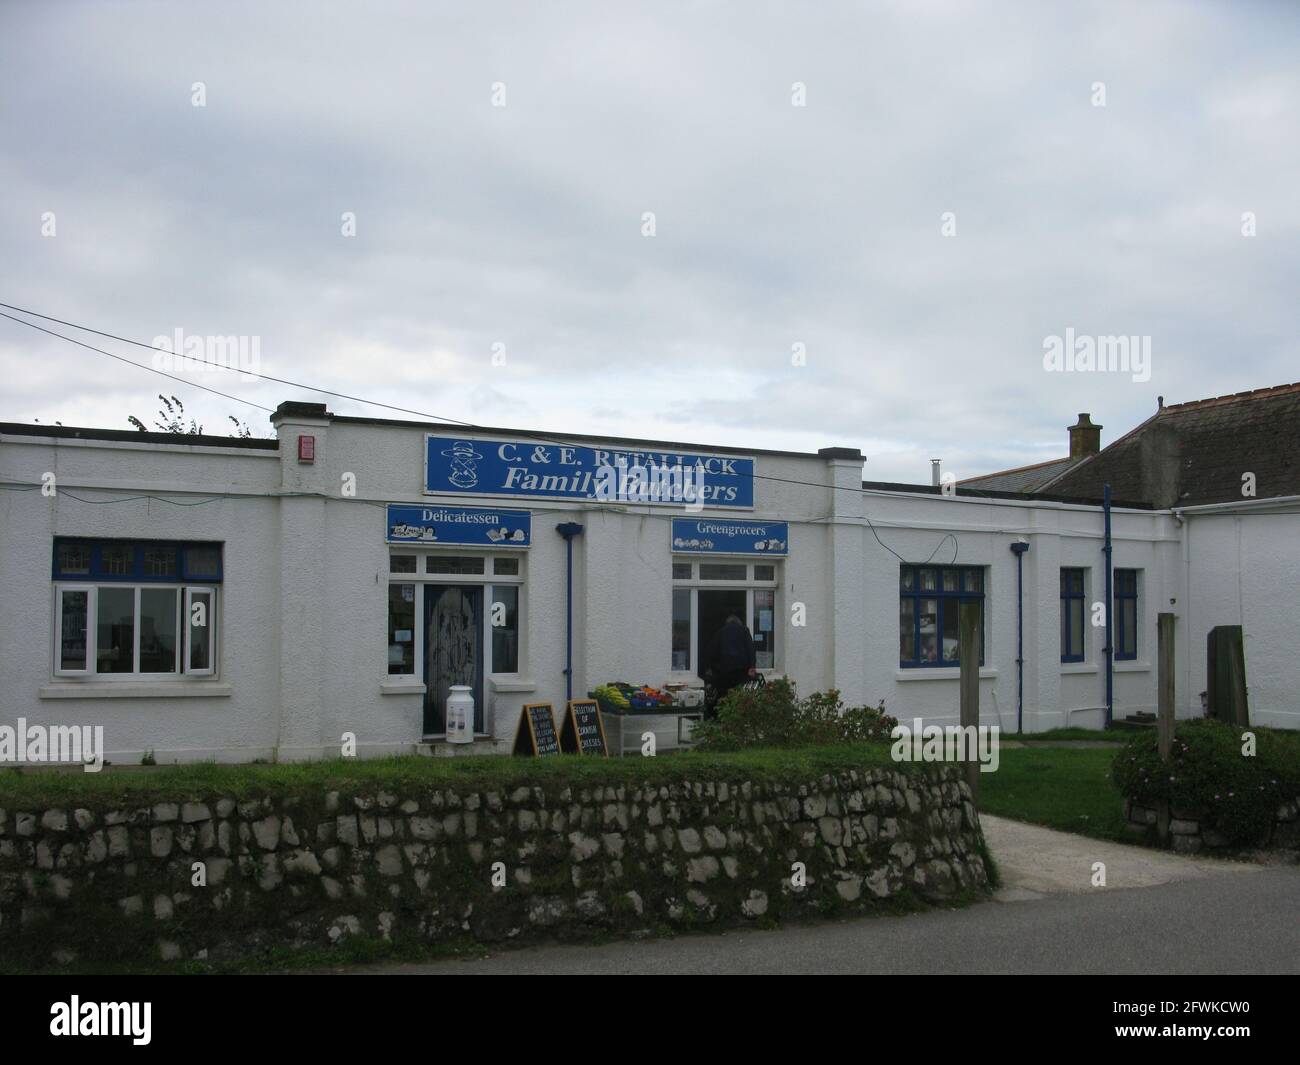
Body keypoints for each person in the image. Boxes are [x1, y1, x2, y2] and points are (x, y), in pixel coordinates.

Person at [701, 613, 757, 717]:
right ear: (738, 622)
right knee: (740, 696)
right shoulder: (744, 630)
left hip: (724, 671)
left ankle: (723, 718)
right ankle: (738, 719)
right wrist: (752, 666)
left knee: (724, 695)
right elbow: (751, 649)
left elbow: (710, 651)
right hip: (741, 671)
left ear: (727, 623)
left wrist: (711, 667)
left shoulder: (721, 632)